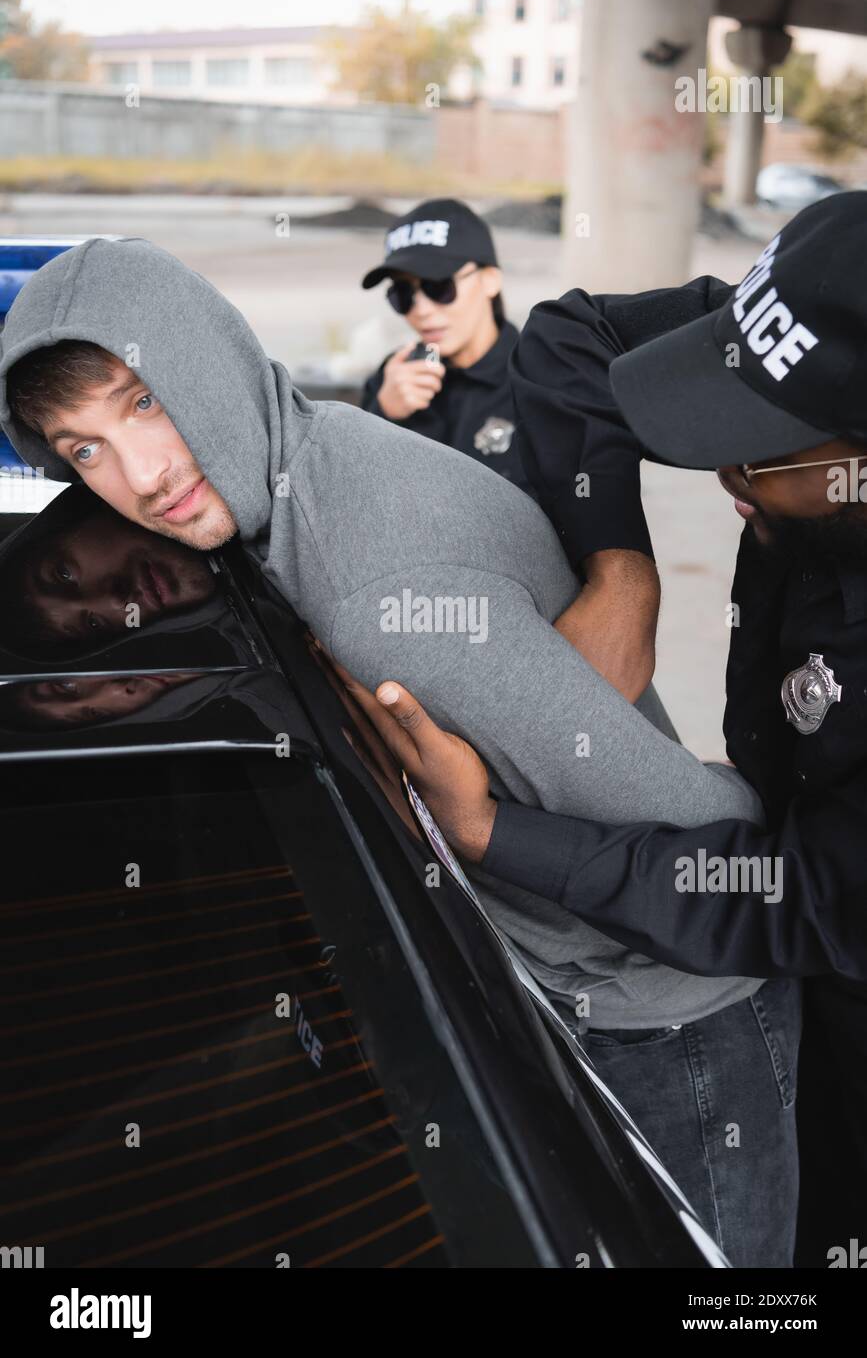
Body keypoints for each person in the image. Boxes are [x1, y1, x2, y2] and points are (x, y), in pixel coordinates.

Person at [1, 236, 792, 1266]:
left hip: (671, 1035)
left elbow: (715, 853)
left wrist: (486, 829)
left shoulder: (384, 605)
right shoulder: (319, 451)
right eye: (83, 449)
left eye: (142, 401)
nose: (140, 477)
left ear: (204, 352)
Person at [340, 192, 867, 1268]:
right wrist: (621, 566)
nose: (727, 477)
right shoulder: (822, 327)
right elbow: (579, 331)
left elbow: (805, 899)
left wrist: (497, 837)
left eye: (760, 458)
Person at [360, 198, 532, 493]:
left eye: (438, 287)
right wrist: (382, 414)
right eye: (403, 294)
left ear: (490, 280)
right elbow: (353, 494)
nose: (422, 310)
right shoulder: (393, 378)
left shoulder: (538, 378)